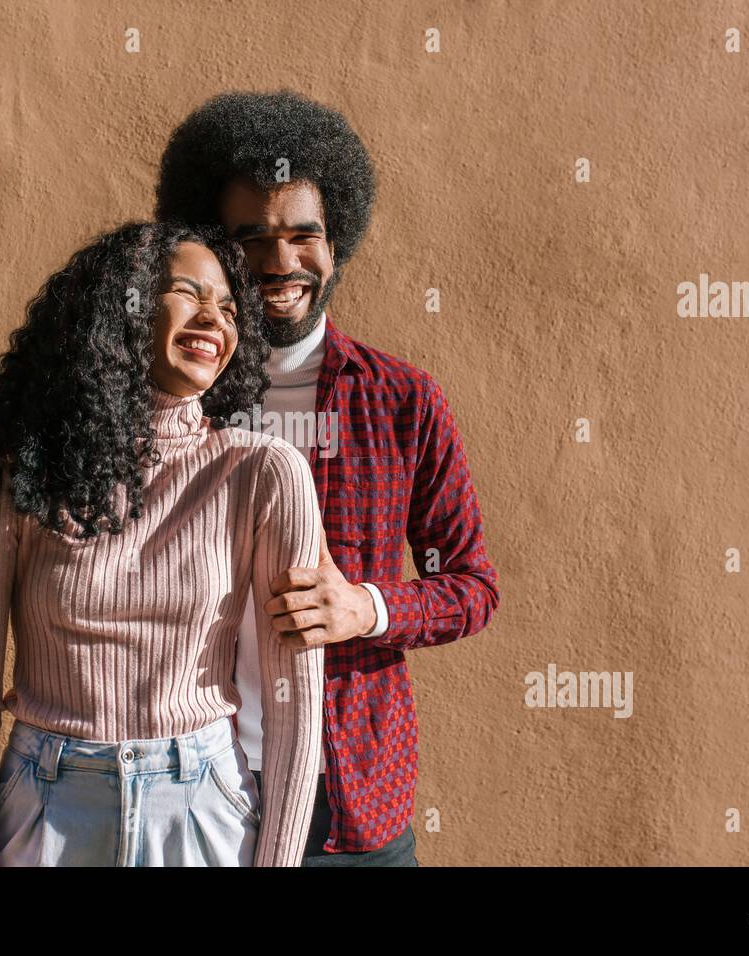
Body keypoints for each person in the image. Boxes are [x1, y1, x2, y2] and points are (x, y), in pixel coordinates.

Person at [156, 91, 502, 866]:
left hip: (346, 792)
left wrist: (366, 607)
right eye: (252, 238)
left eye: (302, 235)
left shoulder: (402, 400)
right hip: (189, 782)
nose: (281, 263)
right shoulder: (176, 400)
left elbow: (472, 586)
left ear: (336, 240)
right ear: (213, 248)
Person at [0, 220, 325, 866]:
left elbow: (295, 702)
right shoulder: (12, 471)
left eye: (228, 306)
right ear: (122, 309)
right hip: (50, 810)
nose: (214, 318)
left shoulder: (264, 473)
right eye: (189, 293)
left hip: (201, 812)